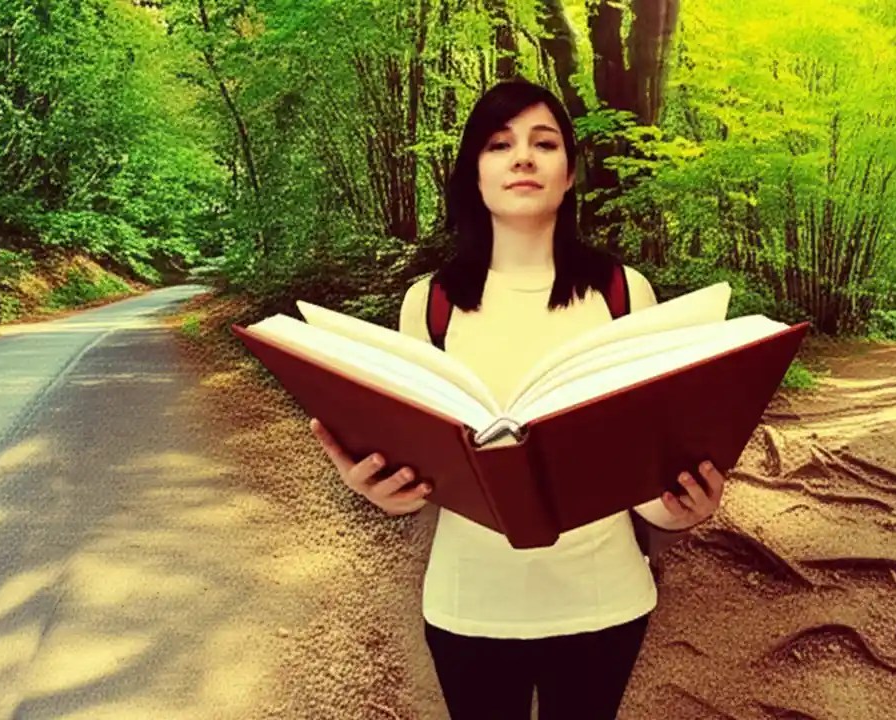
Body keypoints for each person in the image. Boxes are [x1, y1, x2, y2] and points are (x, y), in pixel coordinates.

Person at [309, 78, 726, 720]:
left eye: (544, 142)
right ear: (474, 174)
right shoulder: (432, 303)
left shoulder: (623, 293)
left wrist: (683, 510)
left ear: (569, 176)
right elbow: (423, 466)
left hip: (605, 602)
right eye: (500, 144)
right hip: (466, 604)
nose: (523, 157)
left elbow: (643, 469)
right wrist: (378, 488)